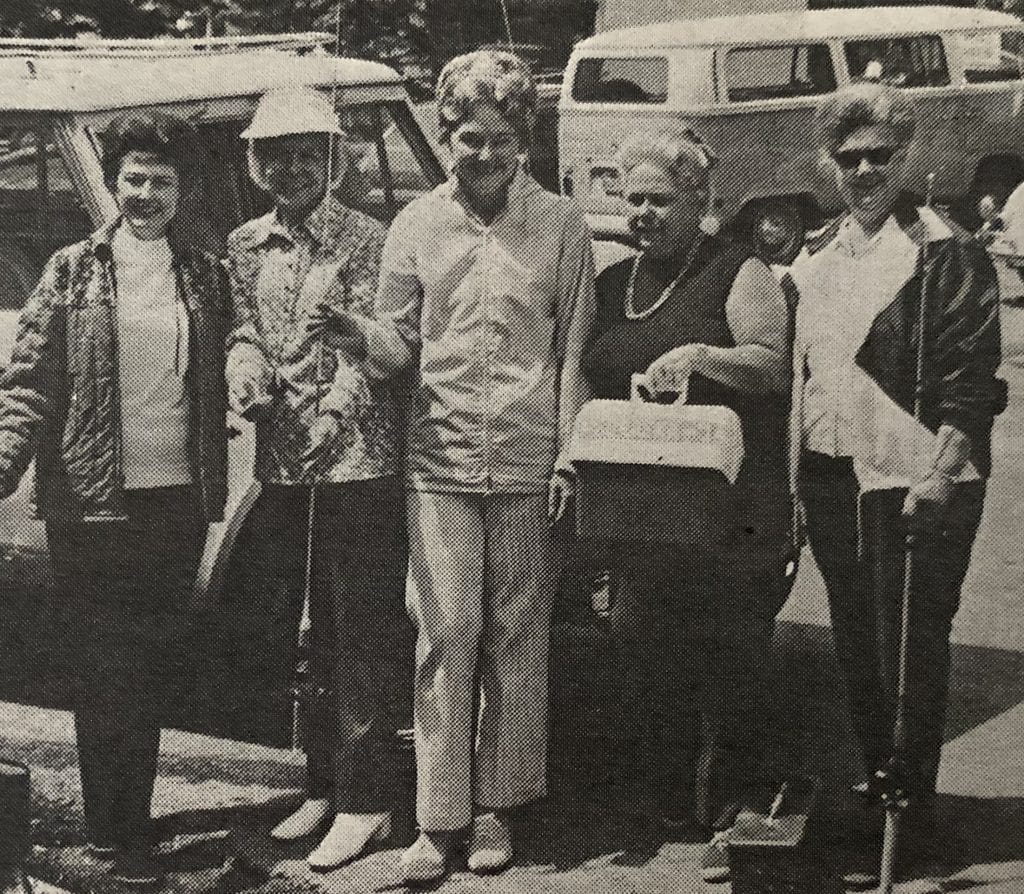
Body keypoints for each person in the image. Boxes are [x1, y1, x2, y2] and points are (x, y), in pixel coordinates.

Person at [315, 50, 596, 882]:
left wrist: (568, 457)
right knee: (445, 636)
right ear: (445, 137)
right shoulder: (416, 226)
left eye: (501, 139)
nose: (483, 154)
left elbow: (573, 348)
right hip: (436, 462)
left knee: (516, 634)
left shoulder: (562, 224)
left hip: (526, 462)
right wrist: (362, 337)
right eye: (469, 138)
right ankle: (436, 822)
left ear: (525, 141)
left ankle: (496, 812)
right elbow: (399, 344)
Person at [0, 111, 229, 886]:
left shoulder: (204, 272)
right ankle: (109, 833)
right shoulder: (71, 270)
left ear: (182, 189)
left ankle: (133, 821)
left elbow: (237, 345)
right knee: (103, 665)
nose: (146, 194)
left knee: (153, 662)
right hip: (89, 501)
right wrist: (1, 465)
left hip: (178, 500)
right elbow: (28, 382)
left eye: (161, 181)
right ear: (113, 183)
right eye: (133, 178)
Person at [786, 81, 1003, 889]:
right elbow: (807, 374)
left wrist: (941, 472)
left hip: (917, 477)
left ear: (907, 157)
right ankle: (880, 787)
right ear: (828, 163)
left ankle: (911, 813)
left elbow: (974, 379)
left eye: (882, 155)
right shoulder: (813, 252)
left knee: (908, 647)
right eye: (851, 158)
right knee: (858, 650)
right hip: (836, 475)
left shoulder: (946, 248)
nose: (867, 170)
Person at [580, 128, 793, 883]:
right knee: (643, 645)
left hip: (732, 509)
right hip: (642, 511)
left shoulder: (740, 271)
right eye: (633, 198)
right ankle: (669, 800)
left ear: (699, 204)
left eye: (661, 201)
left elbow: (771, 367)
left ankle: (737, 809)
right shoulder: (611, 285)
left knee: (730, 651)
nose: (644, 213)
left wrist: (703, 357)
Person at [225, 87, 411, 870]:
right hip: (284, 463)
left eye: (310, 154)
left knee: (360, 629)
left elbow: (365, 345)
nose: (294, 168)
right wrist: (244, 372)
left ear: (334, 161)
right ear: (257, 163)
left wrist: (333, 415)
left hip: (356, 461)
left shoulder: (369, 238)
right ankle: (322, 781)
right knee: (307, 629)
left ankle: (368, 800)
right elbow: (246, 330)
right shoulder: (245, 243)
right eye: (279, 155)